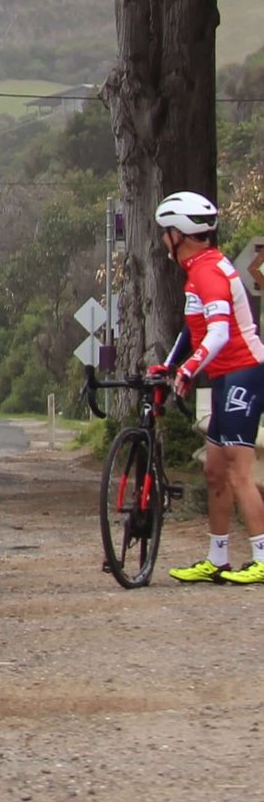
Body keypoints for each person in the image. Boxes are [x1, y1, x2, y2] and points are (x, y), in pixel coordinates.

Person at [152, 192, 264, 585]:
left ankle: (262, 556)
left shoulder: (208, 271)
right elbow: (194, 326)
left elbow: (218, 332)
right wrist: (169, 363)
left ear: (179, 234)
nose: (163, 241)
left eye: (166, 233)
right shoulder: (198, 269)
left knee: (236, 469)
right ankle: (218, 560)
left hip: (244, 372)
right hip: (223, 375)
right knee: (214, 470)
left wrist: (187, 370)